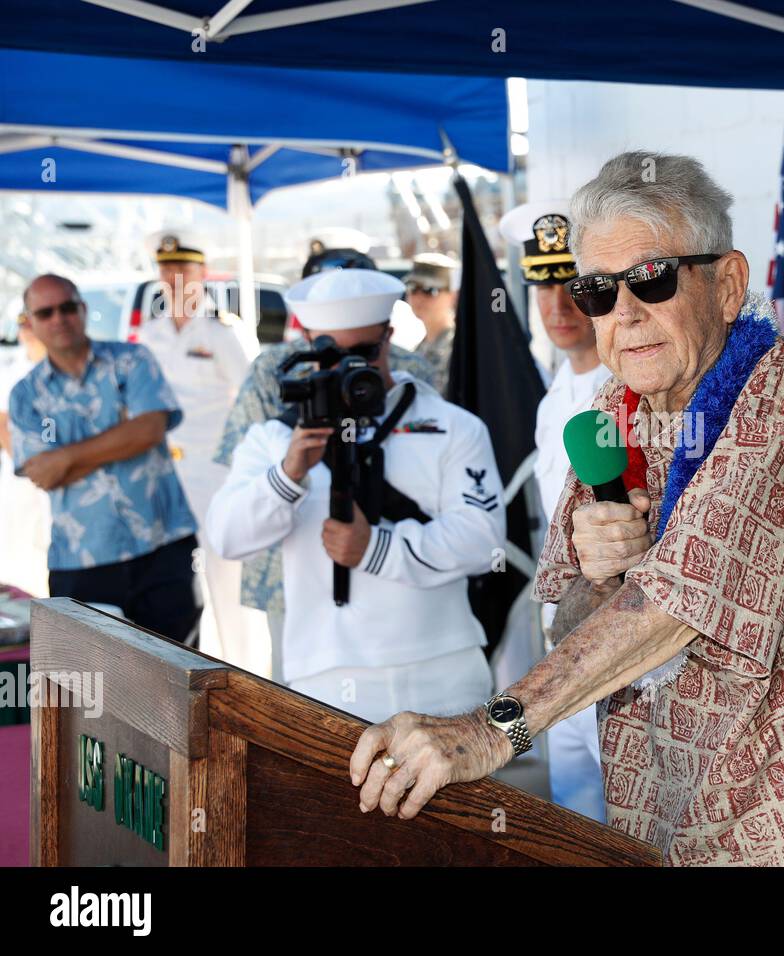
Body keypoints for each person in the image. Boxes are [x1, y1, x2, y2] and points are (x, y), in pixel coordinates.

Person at [348, 151, 784, 867]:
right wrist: (600, 572)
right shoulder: (610, 411)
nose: (624, 314)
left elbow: (678, 601)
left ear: (727, 285)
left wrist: (489, 731)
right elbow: (573, 621)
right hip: (672, 827)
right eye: (598, 291)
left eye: (651, 279)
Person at [207, 269, 507, 723]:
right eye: (333, 355)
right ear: (307, 344)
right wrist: (287, 477)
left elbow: (485, 542)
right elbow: (226, 538)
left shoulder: (452, 426)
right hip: (329, 679)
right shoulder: (276, 439)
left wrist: (376, 548)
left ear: (389, 337)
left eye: (365, 352)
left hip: (444, 671)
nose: (352, 369)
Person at [215, 254, 443, 683]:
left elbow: (438, 451)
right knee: (302, 698)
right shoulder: (274, 370)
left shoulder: (409, 367)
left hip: (394, 551)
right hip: (290, 561)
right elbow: (243, 464)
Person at [7, 275, 200, 643]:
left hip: (163, 546)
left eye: (67, 307)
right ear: (31, 323)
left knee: (182, 683)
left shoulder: (132, 360)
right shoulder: (26, 396)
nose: (58, 318)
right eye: (45, 312)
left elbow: (149, 431)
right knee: (93, 689)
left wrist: (65, 456)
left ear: (83, 309)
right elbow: (44, 474)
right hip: (83, 560)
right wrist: (121, 434)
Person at [500, 198, 610, 822]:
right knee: (576, 818)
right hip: (562, 641)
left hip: (621, 645)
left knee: (640, 826)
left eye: (572, 285)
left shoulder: (634, 387)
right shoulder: (553, 399)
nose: (557, 306)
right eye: (542, 285)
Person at [136, 232, 258, 667]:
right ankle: (181, 670)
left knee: (226, 582)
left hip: (214, 474)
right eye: (166, 271)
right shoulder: (150, 334)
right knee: (171, 583)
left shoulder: (223, 332)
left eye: (183, 270)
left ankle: (241, 675)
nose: (174, 280)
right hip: (164, 476)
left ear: (201, 274)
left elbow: (252, 401)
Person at [0, 315, 51, 597]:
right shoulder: (11, 369)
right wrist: (28, 467)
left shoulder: (61, 366)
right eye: (21, 326)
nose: (26, 332)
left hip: (58, 471)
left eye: (30, 324)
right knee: (16, 546)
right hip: (22, 473)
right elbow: (2, 424)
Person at [404, 253, 459, 395]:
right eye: (412, 287)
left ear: (453, 296)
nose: (418, 297)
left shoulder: (459, 349)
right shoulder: (418, 348)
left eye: (430, 290)